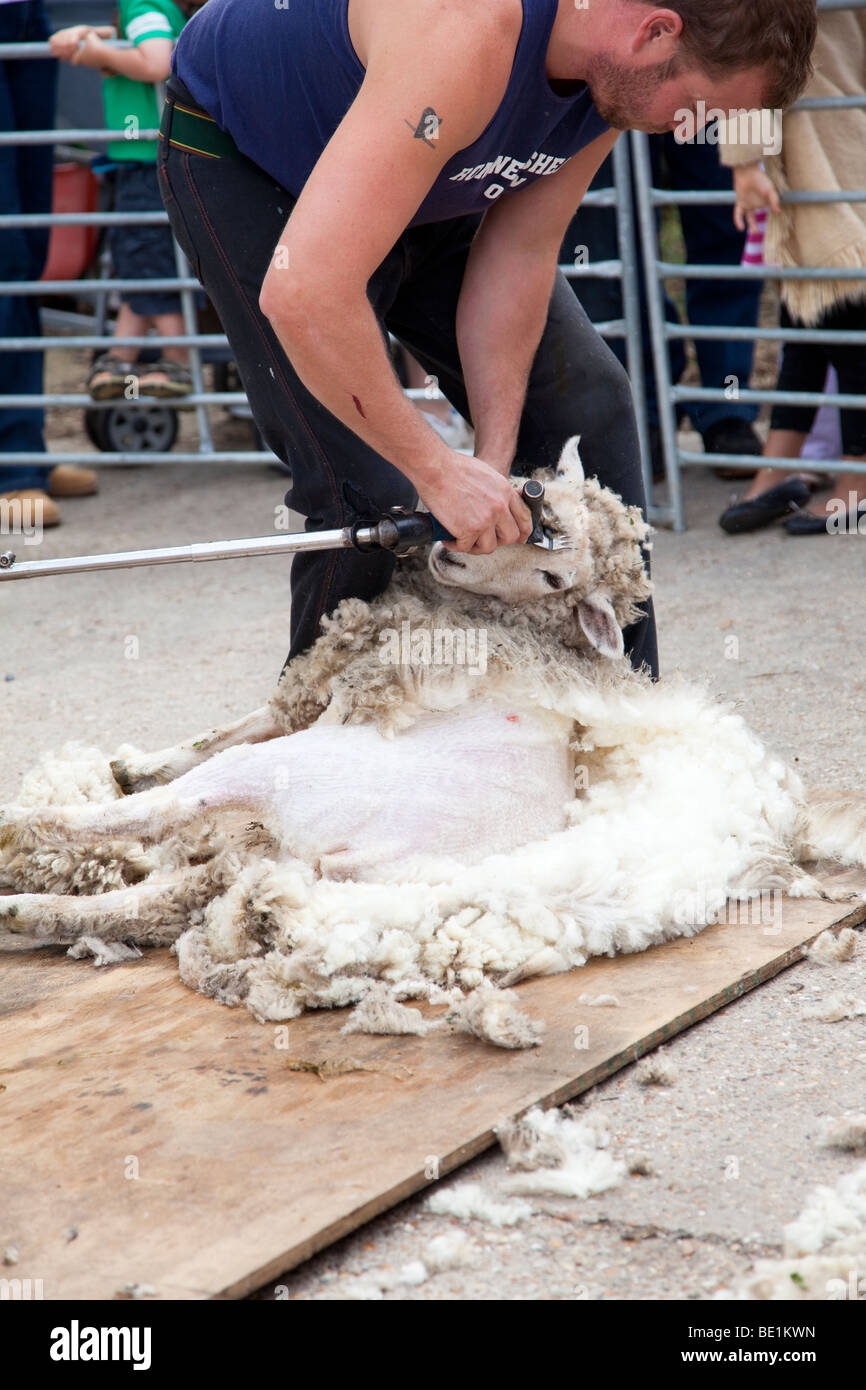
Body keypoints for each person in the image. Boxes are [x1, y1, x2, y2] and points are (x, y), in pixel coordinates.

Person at [157, 0, 816, 677]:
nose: (689, 131)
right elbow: (307, 296)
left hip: (433, 171)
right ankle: (319, 733)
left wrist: (492, 471)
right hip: (256, 161)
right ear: (656, 30)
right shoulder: (467, 28)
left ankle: (620, 729)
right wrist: (437, 471)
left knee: (587, 406)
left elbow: (521, 255)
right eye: (697, 109)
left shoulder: (615, 79)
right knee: (368, 487)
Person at [718, 6, 866, 537]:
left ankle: (858, 481)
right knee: (804, 327)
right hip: (814, 149)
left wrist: (742, 161)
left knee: (845, 325)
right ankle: (778, 467)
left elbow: (754, 47)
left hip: (829, 153)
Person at [562, 138, 764, 483]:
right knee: (614, 232)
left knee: (725, 213)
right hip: (615, 92)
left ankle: (728, 407)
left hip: (713, 94)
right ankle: (641, 414)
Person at [49, 2, 205, 402]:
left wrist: (99, 55)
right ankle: (121, 356)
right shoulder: (154, 9)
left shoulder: (144, 4)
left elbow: (156, 62)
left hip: (144, 161)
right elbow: (146, 38)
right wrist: (94, 35)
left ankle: (176, 357)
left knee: (146, 252)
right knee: (135, 254)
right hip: (144, 159)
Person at [0, 0, 97, 528]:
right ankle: (14, 463)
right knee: (6, 249)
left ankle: (24, 446)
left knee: (28, 246)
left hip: (24, 13)